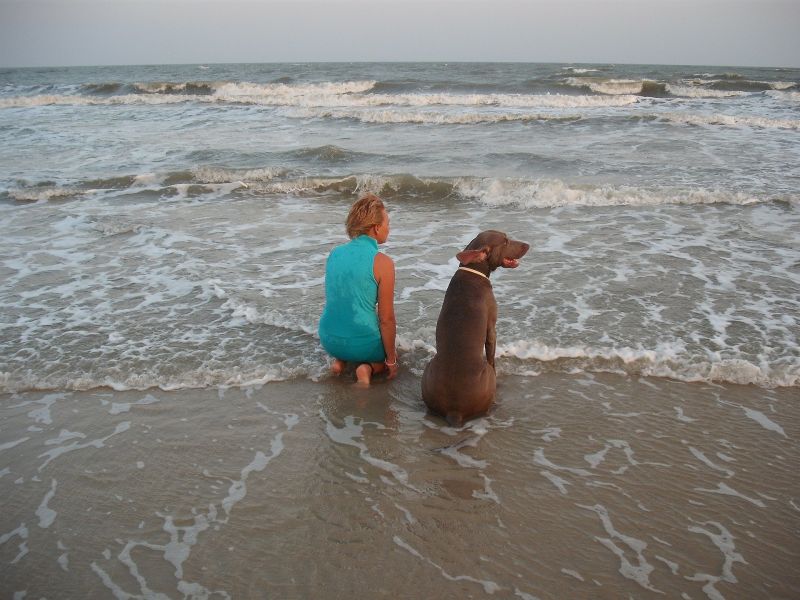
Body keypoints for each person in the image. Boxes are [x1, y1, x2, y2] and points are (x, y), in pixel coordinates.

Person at [319, 193, 399, 384]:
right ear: (376, 227)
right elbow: (386, 319)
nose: (389, 228)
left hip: (329, 339)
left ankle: (339, 362)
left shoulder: (335, 253)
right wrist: (391, 359)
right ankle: (368, 368)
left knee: (346, 317)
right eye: (387, 223)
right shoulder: (383, 263)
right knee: (390, 356)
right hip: (363, 343)